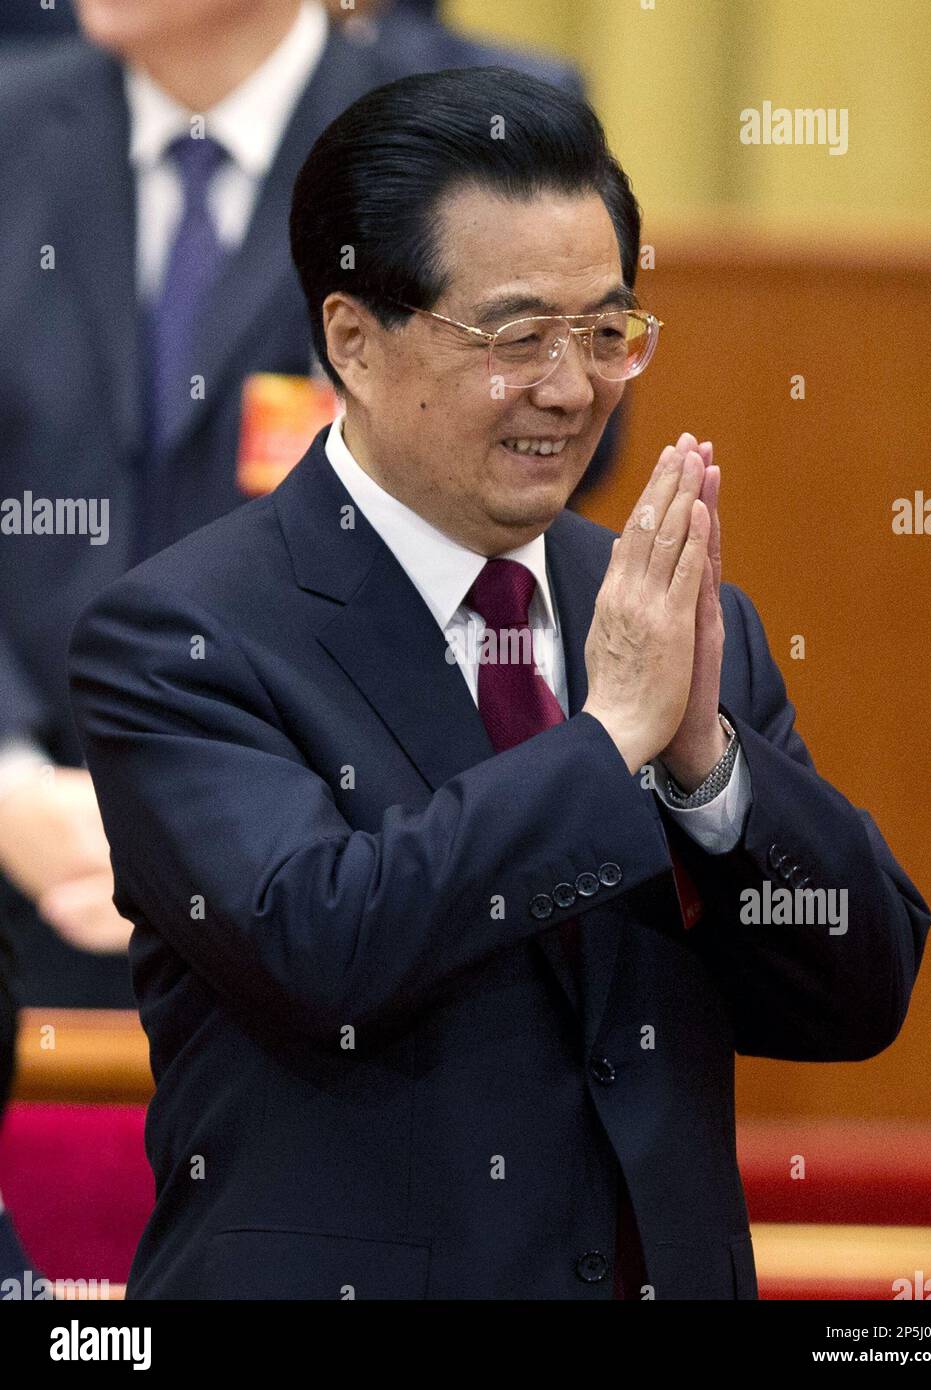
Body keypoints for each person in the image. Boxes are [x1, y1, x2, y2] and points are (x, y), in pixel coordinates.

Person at [67, 67, 931, 1300]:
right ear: (353, 342)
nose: (572, 388)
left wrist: (708, 773)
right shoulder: (181, 636)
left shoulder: (662, 612)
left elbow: (858, 993)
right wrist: (606, 740)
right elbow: (324, 943)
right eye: (517, 337)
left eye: (605, 331)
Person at [0, 0, 598, 1011]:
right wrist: (9, 783)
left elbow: (529, 476)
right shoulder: (15, 126)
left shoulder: (479, 132)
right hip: (27, 855)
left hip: (346, 861)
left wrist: (205, 811)